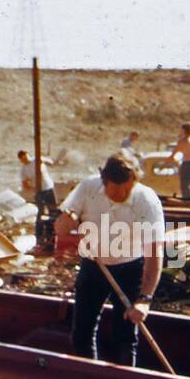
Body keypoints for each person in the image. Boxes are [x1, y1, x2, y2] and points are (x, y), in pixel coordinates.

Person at [54, 153, 165, 366]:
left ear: (134, 180)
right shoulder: (87, 188)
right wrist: (69, 220)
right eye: (115, 190)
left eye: (127, 189)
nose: (122, 194)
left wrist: (145, 300)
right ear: (104, 182)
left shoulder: (147, 201)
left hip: (130, 269)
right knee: (82, 333)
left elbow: (154, 252)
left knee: (125, 337)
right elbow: (60, 228)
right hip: (93, 266)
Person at [18, 149, 55, 248]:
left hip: (48, 188)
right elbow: (25, 185)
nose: (27, 159)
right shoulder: (23, 170)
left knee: (53, 211)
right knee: (40, 213)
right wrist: (34, 189)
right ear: (21, 160)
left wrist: (45, 161)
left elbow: (51, 162)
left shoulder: (37, 160)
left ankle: (52, 233)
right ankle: (39, 236)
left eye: (27, 157)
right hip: (39, 192)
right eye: (24, 159)